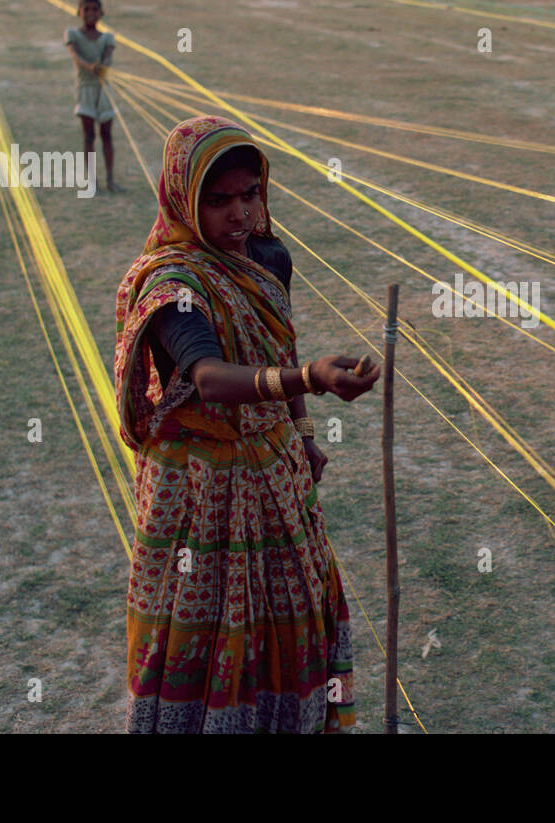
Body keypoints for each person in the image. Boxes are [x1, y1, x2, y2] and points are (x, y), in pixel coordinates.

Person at [113, 115, 380, 733]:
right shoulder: (173, 281)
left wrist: (305, 431)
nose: (239, 214)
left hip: (273, 470)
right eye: (219, 200)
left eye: (249, 195)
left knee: (292, 608)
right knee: (201, 628)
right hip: (197, 490)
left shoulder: (267, 258)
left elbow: (279, 347)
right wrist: (310, 379)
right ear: (184, 199)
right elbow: (208, 377)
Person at [65, 0, 119, 193]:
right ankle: (92, 181)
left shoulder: (108, 37)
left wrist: (101, 67)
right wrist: (90, 67)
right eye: (86, 9)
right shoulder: (73, 34)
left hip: (104, 90)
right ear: (79, 12)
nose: (90, 13)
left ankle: (110, 180)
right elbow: (75, 55)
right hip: (85, 89)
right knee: (88, 135)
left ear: (101, 13)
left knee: (106, 134)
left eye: (94, 9)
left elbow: (108, 57)